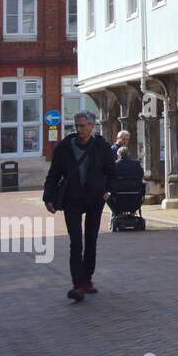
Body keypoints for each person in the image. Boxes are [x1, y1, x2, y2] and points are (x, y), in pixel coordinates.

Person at [43, 110, 118, 302]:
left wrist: (108, 191)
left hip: (94, 199)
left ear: (92, 126)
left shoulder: (101, 147)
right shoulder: (65, 147)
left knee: (91, 241)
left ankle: (87, 279)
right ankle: (77, 285)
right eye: (76, 125)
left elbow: (112, 173)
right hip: (72, 200)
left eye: (83, 125)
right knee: (76, 243)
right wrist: (48, 198)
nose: (79, 129)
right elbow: (53, 175)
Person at [107, 145, 145, 221]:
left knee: (106, 197)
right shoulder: (136, 164)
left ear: (118, 155)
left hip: (118, 192)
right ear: (128, 154)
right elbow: (141, 175)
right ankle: (133, 212)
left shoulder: (114, 165)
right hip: (135, 192)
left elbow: (109, 177)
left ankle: (118, 213)